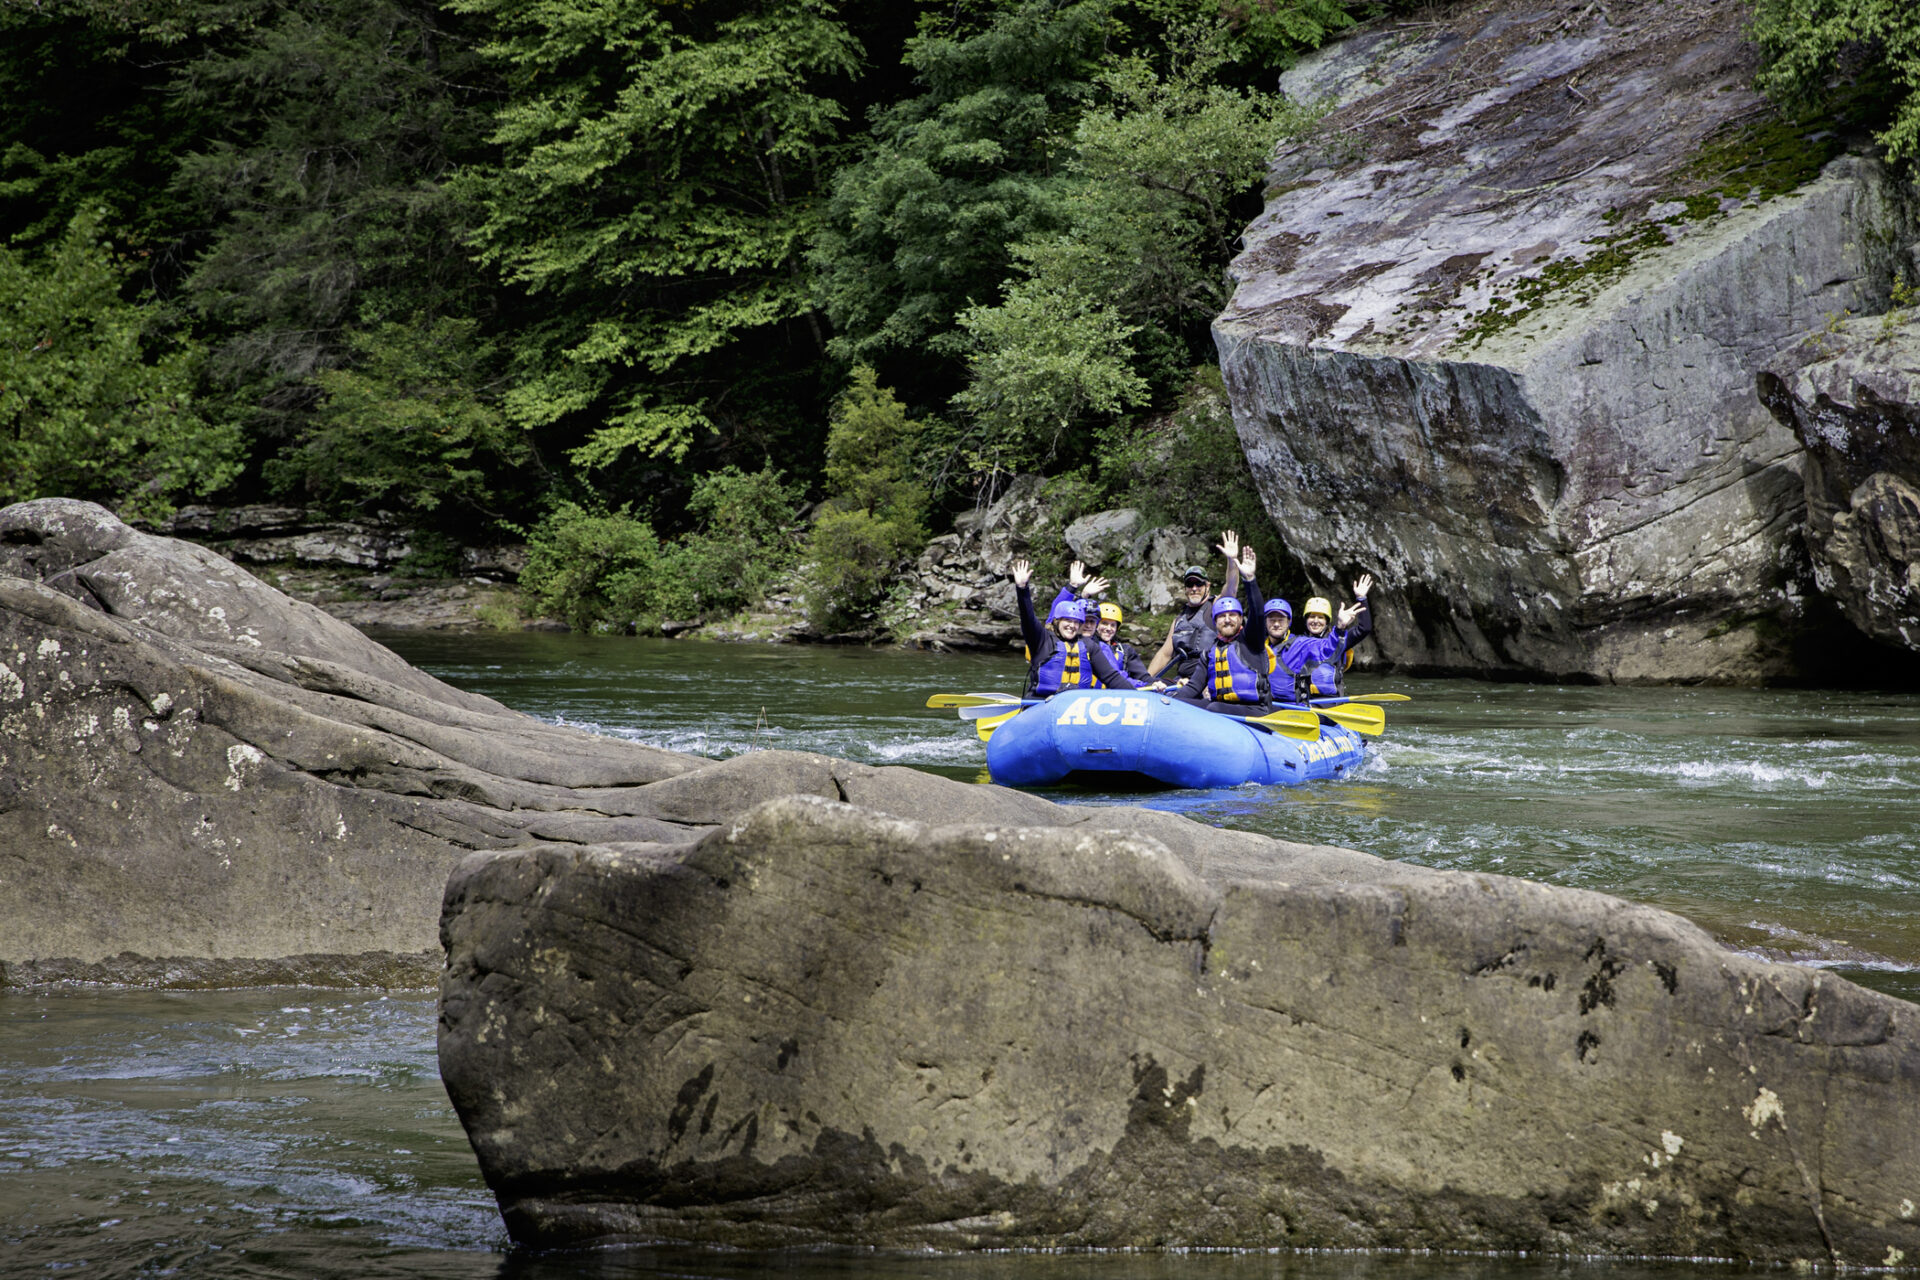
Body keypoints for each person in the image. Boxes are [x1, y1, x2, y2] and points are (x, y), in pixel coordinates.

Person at [1011, 559, 1136, 698]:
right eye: (1068, 620)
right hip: (1041, 703)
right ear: (1057, 621)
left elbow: (1112, 678)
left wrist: (1138, 698)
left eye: (1077, 622)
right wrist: (1022, 589)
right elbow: (1027, 617)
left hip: (1077, 707)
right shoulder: (1041, 640)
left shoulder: (1088, 645)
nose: (1072, 625)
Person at [1172, 544, 1270, 716]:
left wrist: (1250, 580)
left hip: (1255, 711)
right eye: (1222, 616)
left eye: (1232, 615)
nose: (1227, 620)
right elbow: (1194, 687)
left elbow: (1259, 613)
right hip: (1222, 711)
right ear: (1215, 621)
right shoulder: (1209, 653)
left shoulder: (1251, 641)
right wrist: (1168, 702)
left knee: (1213, 707)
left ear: (1240, 619)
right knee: (1189, 704)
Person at [1146, 530, 1243, 682]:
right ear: (1185, 588)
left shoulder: (1217, 607)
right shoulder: (1179, 619)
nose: (1194, 588)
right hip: (1182, 680)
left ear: (1208, 586)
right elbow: (1164, 654)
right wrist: (1144, 679)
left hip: (1209, 678)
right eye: (1190, 584)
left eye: (1199, 584)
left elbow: (1231, 588)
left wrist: (1232, 560)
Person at [1277, 573, 1374, 700]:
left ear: (1327, 621)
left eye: (1320, 618)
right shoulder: (1297, 643)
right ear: (1306, 620)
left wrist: (1361, 598)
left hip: (1330, 701)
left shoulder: (1339, 640)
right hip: (1304, 702)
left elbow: (1364, 628)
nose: (1316, 621)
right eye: (1312, 617)